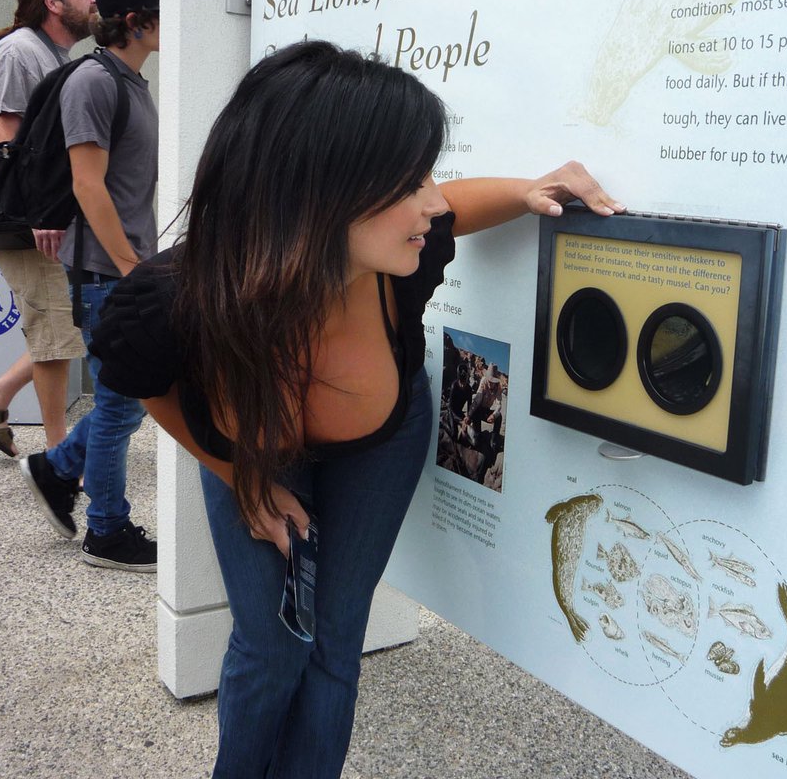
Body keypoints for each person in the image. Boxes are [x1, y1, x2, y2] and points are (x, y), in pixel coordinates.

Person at [88, 41, 624, 777]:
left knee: (334, 640)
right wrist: (240, 477)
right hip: (250, 454)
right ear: (317, 192)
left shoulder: (401, 261)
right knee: (272, 644)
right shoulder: (174, 302)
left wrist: (535, 187)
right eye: (410, 180)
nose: (432, 201)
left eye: (428, 173)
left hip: (382, 442)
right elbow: (145, 379)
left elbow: (456, 207)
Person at [19, 0, 160, 572]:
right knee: (122, 404)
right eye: (162, 13)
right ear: (135, 20)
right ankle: (106, 531)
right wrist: (129, 266)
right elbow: (86, 183)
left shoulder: (130, 81)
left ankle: (55, 470)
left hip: (123, 267)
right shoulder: (95, 82)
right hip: (105, 272)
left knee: (128, 401)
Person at [0, 0, 97, 456]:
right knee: (56, 332)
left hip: (54, 217)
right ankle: (57, 458)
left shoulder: (54, 55)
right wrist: (40, 212)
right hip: (34, 222)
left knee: (62, 328)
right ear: (52, 2)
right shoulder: (19, 52)